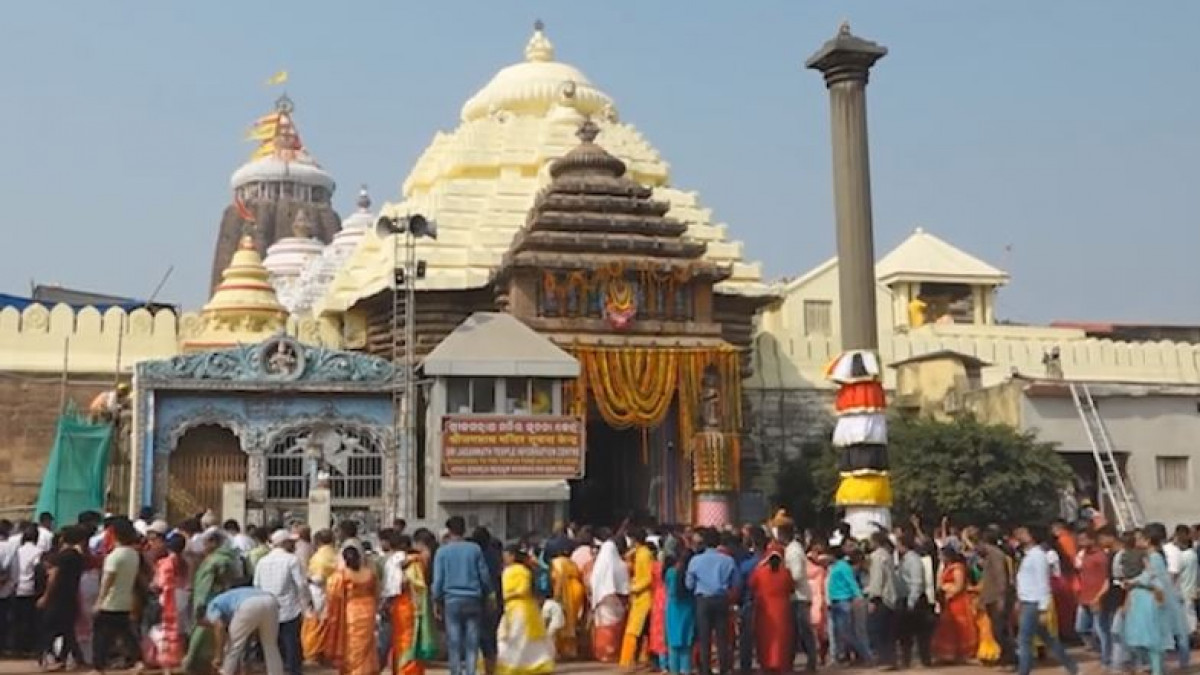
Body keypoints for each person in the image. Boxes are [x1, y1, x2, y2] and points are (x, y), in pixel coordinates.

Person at [432, 516, 494, 675]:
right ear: (464, 529)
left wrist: (436, 600)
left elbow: (438, 580)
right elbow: (484, 575)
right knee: (472, 643)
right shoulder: (474, 549)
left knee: (454, 643)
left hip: (451, 600)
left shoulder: (442, 552)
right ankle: (471, 672)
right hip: (473, 598)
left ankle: (456, 672)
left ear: (449, 531)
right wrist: (488, 594)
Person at [1014, 526, 1077, 675]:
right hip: (1026, 600)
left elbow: (1043, 582)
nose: (1019, 535)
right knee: (1047, 638)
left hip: (1034, 602)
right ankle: (1071, 666)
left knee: (1024, 640)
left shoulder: (1038, 556)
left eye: (1024, 533)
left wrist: (1043, 608)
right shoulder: (1028, 555)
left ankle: (1023, 671)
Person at [184, 529, 243, 673]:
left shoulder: (214, 561)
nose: (204, 546)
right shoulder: (231, 558)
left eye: (206, 543)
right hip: (228, 607)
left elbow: (205, 587)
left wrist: (199, 608)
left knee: (200, 646)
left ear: (214, 542)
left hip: (210, 608)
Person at [254, 529, 312, 675]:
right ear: (285, 543)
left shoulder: (262, 561)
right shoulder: (291, 560)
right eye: (291, 542)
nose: (294, 545)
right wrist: (307, 603)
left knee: (271, 645)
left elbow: (256, 585)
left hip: (267, 607)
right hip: (289, 607)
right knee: (291, 642)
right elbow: (301, 584)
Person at [92, 518, 143, 675]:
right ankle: (139, 661)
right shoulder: (133, 554)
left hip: (110, 602)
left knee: (101, 637)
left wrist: (99, 602)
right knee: (127, 634)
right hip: (125, 601)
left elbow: (107, 582)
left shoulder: (114, 556)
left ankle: (98, 668)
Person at [496, 545, 556, 675]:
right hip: (526, 608)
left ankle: (513, 664)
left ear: (512, 556)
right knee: (526, 638)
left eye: (506, 555)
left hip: (516, 609)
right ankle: (535, 663)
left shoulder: (511, 571)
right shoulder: (525, 570)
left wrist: (510, 595)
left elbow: (520, 589)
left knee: (513, 638)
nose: (504, 558)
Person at [685, 528, 737, 675]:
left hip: (703, 600)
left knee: (704, 637)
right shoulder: (728, 560)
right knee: (722, 638)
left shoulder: (695, 561)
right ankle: (723, 669)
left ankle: (705, 669)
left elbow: (689, 584)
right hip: (721, 599)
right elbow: (735, 582)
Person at [323, 546, 379, 675]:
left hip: (352, 612)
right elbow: (376, 592)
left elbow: (332, 595)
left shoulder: (341, 575)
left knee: (352, 645)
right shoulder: (369, 573)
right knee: (367, 644)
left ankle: (354, 671)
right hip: (369, 610)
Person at [38, 525, 87, 670]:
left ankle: (49, 657)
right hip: (70, 596)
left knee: (49, 629)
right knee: (67, 629)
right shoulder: (78, 556)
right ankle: (67, 658)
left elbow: (54, 577)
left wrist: (46, 596)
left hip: (57, 598)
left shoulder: (63, 556)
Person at [206, 585, 284, 675]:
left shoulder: (211, 606)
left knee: (233, 645)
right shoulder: (227, 599)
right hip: (271, 601)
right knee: (271, 646)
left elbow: (219, 626)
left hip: (248, 604)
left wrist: (218, 655)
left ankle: (225, 672)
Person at [778, 519, 818, 673]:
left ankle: (811, 662)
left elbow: (796, 575)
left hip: (799, 596)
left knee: (803, 631)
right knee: (795, 631)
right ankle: (792, 662)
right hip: (797, 596)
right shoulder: (791, 549)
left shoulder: (793, 551)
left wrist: (784, 583)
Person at [749, 543, 795, 675]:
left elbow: (751, 584)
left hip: (764, 609)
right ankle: (781, 663)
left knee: (765, 638)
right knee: (782, 637)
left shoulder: (760, 572)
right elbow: (791, 588)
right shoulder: (786, 573)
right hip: (782, 609)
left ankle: (766, 663)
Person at [931, 546, 976, 663]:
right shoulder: (947, 567)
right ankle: (948, 655)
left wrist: (947, 591)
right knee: (948, 627)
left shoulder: (958, 568)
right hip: (948, 602)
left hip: (957, 601)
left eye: (941, 555)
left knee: (960, 626)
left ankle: (963, 654)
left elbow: (959, 586)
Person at [827, 547, 870, 664]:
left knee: (847, 633)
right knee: (843, 633)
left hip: (843, 600)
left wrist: (859, 596)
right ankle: (862, 655)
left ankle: (866, 655)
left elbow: (851, 582)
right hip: (836, 600)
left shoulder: (843, 567)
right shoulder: (836, 567)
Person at [589, 538, 630, 663]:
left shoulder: (598, 566)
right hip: (616, 600)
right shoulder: (621, 565)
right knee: (614, 626)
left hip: (601, 601)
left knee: (602, 625)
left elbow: (592, 583)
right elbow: (625, 585)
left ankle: (602, 654)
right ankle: (613, 653)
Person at [620, 528, 655, 670]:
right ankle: (636, 659)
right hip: (638, 597)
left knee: (640, 630)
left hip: (644, 597)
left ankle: (641, 659)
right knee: (638, 630)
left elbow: (648, 577)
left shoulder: (644, 554)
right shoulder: (638, 553)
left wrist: (634, 588)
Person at [895, 533, 931, 668]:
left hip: (914, 599)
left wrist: (911, 602)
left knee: (920, 632)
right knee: (905, 633)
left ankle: (924, 660)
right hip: (907, 598)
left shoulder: (913, 560)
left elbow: (916, 582)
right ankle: (907, 661)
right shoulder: (904, 559)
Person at [301, 528, 338, 663]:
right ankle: (325, 651)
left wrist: (307, 578)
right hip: (333, 592)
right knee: (327, 622)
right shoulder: (336, 554)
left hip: (318, 592)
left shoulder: (319, 557)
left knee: (314, 623)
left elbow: (318, 578)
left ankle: (312, 653)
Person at [864, 531, 898, 668]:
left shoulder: (876, 557)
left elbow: (877, 579)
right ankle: (890, 659)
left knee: (875, 629)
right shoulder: (887, 555)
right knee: (888, 631)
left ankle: (884, 659)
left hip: (881, 597)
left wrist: (873, 598)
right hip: (890, 596)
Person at [11, 522, 42, 659]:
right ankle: (28, 647)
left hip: (16, 588)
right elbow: (38, 571)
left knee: (16, 620)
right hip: (30, 589)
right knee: (29, 620)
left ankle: (16, 647)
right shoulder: (38, 552)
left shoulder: (17, 551)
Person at [549, 547, 586, 660]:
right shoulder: (571, 562)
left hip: (567, 591)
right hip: (578, 590)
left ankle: (563, 651)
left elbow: (559, 578)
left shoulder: (556, 562)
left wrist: (556, 596)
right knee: (572, 622)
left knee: (564, 621)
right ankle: (572, 650)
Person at [665, 550, 696, 675]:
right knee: (686, 644)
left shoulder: (670, 572)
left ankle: (674, 671)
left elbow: (667, 587)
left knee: (673, 644)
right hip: (688, 608)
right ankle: (686, 670)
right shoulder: (690, 574)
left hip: (673, 608)